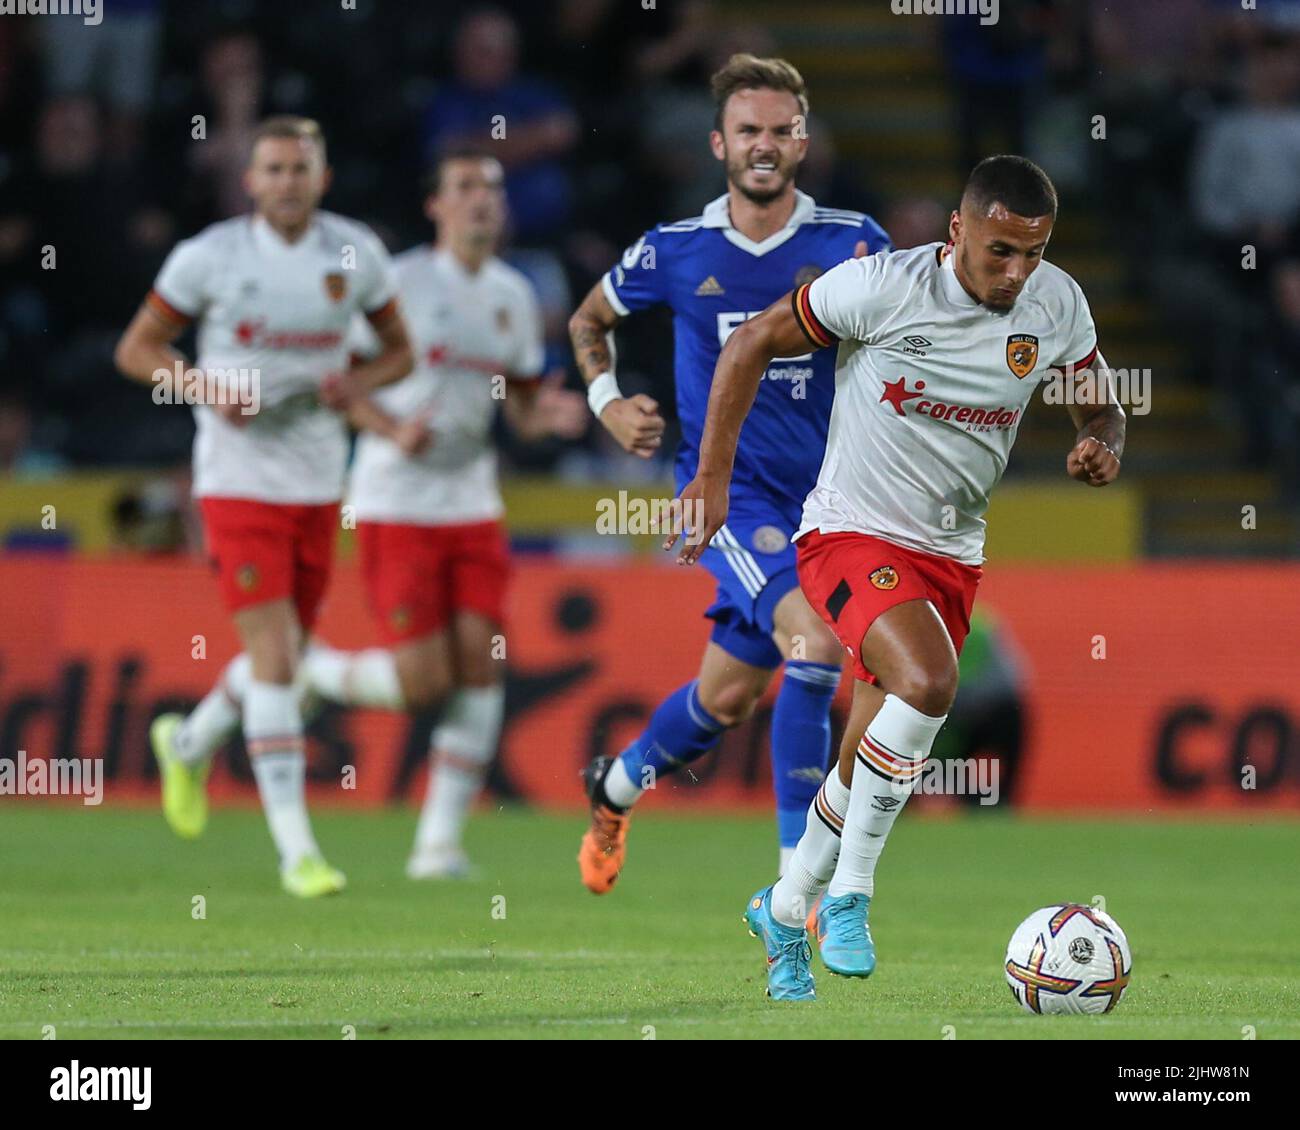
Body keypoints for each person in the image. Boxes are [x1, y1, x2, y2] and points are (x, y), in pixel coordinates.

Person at [672, 155, 1124, 999]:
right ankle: (850, 895)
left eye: (1033, 252)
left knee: (869, 757)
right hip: (849, 534)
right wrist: (712, 477)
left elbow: (1099, 400)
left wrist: (1103, 441)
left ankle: (784, 907)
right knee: (929, 681)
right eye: (1000, 251)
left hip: (951, 558)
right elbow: (749, 343)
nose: (1017, 271)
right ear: (958, 231)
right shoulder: (879, 287)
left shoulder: (1055, 302)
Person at [567, 53, 890, 895]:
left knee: (727, 698)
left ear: (803, 142)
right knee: (815, 648)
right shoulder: (676, 250)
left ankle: (613, 788)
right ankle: (798, 887)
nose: (764, 145)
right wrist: (606, 402)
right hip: (729, 497)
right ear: (719, 142)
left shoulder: (854, 244)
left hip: (830, 502)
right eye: (749, 130)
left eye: (781, 131)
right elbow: (588, 319)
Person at [114, 116, 414, 898]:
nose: (287, 181)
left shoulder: (357, 253)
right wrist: (205, 387)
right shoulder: (208, 257)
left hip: (318, 482)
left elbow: (401, 352)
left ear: (323, 177)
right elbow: (138, 349)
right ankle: (297, 853)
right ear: (249, 180)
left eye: (300, 167)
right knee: (279, 660)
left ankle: (187, 745)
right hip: (234, 479)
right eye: (273, 168)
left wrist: (357, 385)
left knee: (281, 658)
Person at [302, 151, 586, 878]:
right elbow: (338, 383)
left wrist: (544, 415)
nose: (482, 200)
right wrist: (391, 429)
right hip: (396, 498)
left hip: (472, 499)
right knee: (423, 683)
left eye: (492, 187)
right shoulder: (397, 284)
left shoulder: (514, 295)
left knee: (482, 664)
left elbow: (517, 407)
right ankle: (316, 672)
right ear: (435, 205)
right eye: (464, 188)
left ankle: (438, 845)